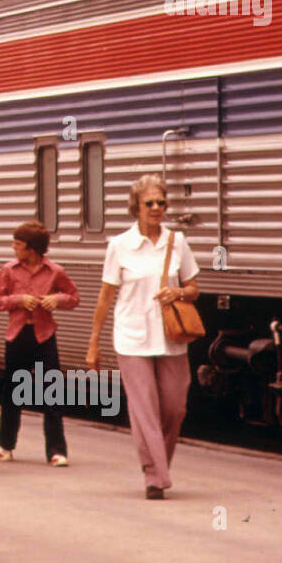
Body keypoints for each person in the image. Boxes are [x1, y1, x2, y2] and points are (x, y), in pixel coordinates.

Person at [88, 174, 200, 500]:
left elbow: (194, 289)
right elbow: (105, 298)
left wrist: (177, 291)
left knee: (175, 407)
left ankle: (157, 463)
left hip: (170, 337)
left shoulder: (177, 242)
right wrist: (94, 342)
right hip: (132, 336)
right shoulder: (119, 246)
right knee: (145, 409)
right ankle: (156, 476)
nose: (156, 208)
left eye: (161, 203)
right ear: (135, 206)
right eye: (149, 203)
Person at [0, 221, 80, 467]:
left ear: (31, 249)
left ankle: (56, 451)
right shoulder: (8, 270)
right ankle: (5, 445)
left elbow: (73, 297)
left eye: (17, 244)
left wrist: (55, 299)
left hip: (44, 335)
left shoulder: (55, 271)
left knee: (52, 392)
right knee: (13, 392)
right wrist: (19, 300)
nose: (13, 248)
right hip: (18, 336)